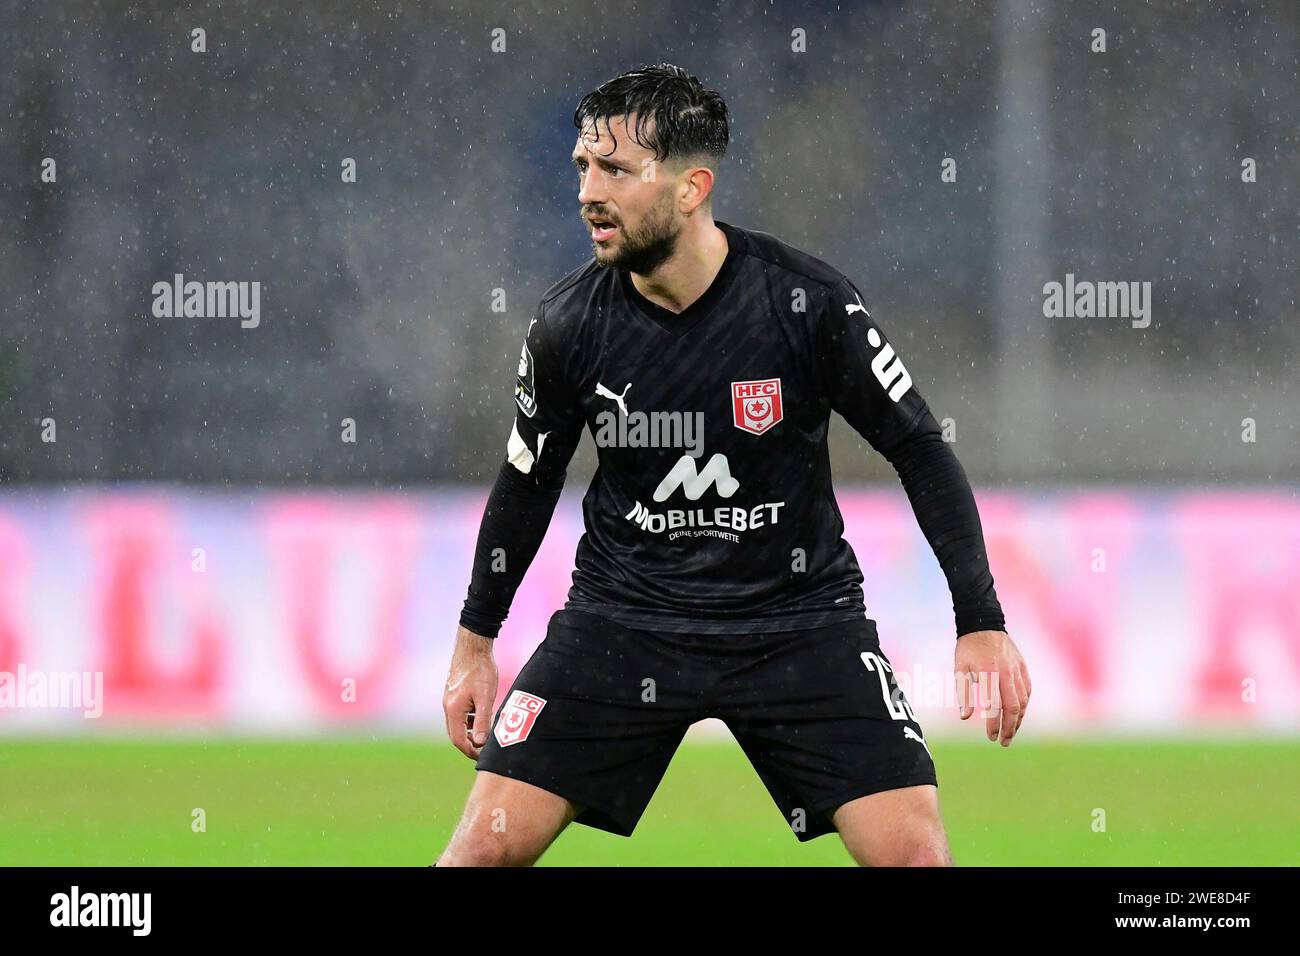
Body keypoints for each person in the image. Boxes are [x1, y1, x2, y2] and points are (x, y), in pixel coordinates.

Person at [437, 64, 1030, 867]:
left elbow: (918, 444)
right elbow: (528, 481)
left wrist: (981, 617)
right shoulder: (568, 324)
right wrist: (476, 641)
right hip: (624, 621)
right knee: (477, 853)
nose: (587, 192)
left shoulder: (806, 303)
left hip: (799, 621)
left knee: (917, 858)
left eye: (615, 170)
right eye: (582, 167)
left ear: (691, 188)